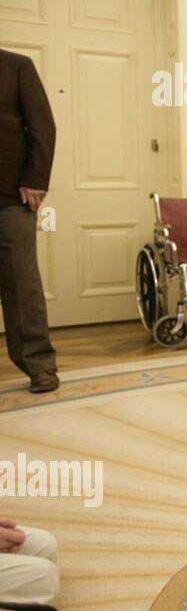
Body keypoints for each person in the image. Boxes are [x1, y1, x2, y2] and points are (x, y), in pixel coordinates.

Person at [0, 48, 57, 393]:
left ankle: (39, 365)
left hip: (9, 196)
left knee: (23, 284)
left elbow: (43, 126)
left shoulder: (17, 66)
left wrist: (36, 179)